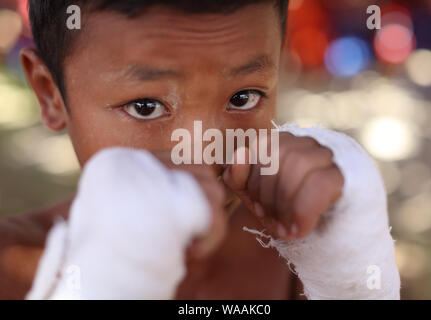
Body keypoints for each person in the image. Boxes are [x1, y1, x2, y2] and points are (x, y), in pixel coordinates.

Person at [0, 0, 400, 299]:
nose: (205, 155)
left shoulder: (302, 246)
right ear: (50, 94)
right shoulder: (13, 267)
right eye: (146, 107)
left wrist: (352, 273)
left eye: (243, 97)